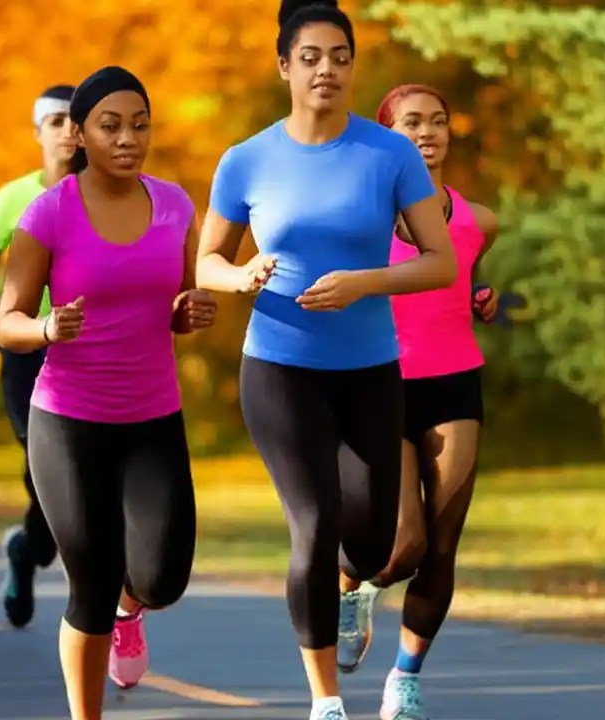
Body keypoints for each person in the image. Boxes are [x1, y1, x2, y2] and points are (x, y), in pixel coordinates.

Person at [194, 2, 458, 719]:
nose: (326, 70)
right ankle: (326, 701)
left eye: (340, 56)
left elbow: (440, 262)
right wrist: (240, 278)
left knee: (370, 540)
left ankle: (352, 588)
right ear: (284, 65)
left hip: (371, 367)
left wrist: (363, 283)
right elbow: (208, 262)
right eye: (310, 57)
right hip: (279, 367)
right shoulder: (246, 159)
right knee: (313, 523)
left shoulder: (390, 154)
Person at [0, 65, 218, 720]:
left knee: (161, 578)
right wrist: (41, 326)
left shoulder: (176, 205)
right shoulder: (49, 212)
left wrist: (188, 313)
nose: (128, 138)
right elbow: (5, 322)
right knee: (88, 586)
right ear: (81, 137)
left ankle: (133, 609)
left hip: (153, 415)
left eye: (139, 124)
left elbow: (181, 299)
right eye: (110, 125)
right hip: (68, 421)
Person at [331, 83, 500, 720]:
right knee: (404, 544)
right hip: (382, 383)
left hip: (457, 381)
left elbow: (467, 275)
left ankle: (405, 676)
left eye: (437, 120)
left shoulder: (478, 220)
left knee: (445, 542)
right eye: (411, 123)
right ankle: (353, 584)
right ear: (387, 135)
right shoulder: (362, 220)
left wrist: (483, 297)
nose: (427, 132)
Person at [0, 83, 76, 629]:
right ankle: (35, 550)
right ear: (37, 132)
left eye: (74, 121)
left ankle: (35, 551)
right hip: (24, 348)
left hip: (88, 345)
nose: (68, 131)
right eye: (56, 121)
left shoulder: (105, 194)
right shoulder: (9, 201)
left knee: (71, 464)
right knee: (44, 462)